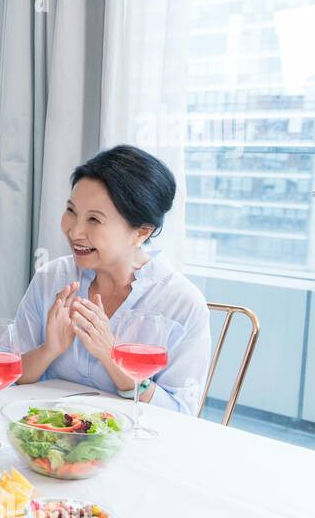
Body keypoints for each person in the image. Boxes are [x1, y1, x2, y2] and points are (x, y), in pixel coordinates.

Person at [15, 145, 210, 413]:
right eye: (71, 211)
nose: (75, 231)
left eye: (94, 219)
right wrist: (49, 349)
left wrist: (111, 356)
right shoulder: (53, 277)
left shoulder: (181, 303)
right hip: (47, 438)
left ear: (141, 232)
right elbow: (9, 374)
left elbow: (180, 413)